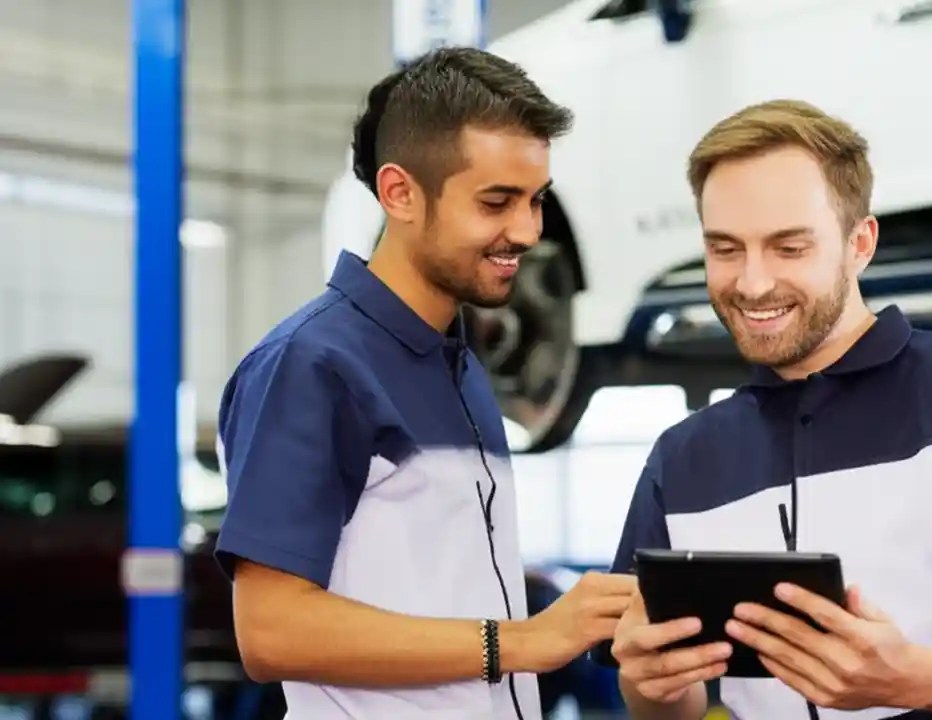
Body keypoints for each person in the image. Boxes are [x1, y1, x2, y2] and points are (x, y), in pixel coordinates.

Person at [605, 99, 932, 719]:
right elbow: (671, 709)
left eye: (789, 248)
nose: (752, 283)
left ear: (860, 243)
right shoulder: (682, 459)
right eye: (725, 249)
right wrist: (648, 680)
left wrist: (910, 678)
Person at [213, 47, 636, 719]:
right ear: (400, 193)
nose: (526, 231)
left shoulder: (460, 365)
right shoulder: (311, 366)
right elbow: (270, 631)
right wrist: (522, 641)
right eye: (497, 202)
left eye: (536, 201)